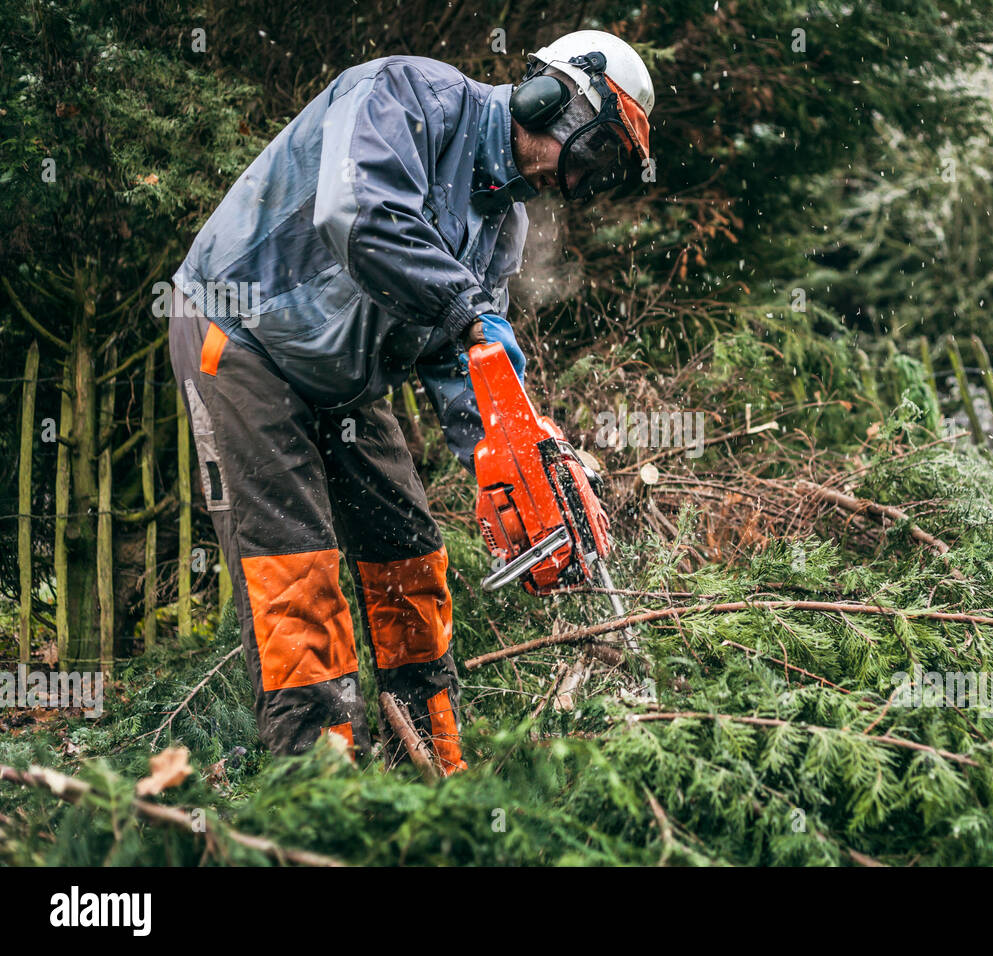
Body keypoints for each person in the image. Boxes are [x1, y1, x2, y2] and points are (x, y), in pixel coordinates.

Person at [166, 30, 654, 771]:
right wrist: (467, 311)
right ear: (551, 99)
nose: (587, 176)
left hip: (344, 375)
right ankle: (321, 783)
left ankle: (428, 761)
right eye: (596, 149)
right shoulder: (406, 97)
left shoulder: (501, 223)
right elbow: (359, 217)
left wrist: (521, 459)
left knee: (412, 556)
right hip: (238, 335)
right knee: (296, 565)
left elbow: (462, 360)